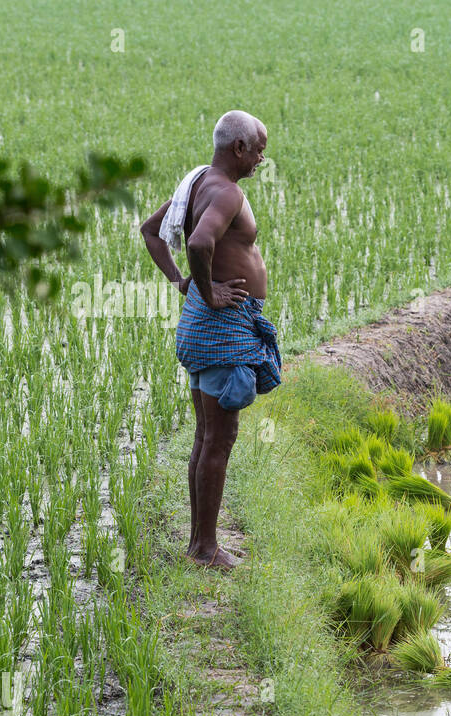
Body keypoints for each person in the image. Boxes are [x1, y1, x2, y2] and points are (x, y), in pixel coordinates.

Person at [140, 110, 278, 569]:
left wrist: (183, 283)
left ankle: (200, 541)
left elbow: (150, 230)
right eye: (258, 148)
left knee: (207, 434)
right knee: (220, 436)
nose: (262, 157)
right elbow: (199, 243)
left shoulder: (199, 182)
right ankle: (204, 548)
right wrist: (205, 289)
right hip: (221, 327)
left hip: (206, 325)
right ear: (238, 148)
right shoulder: (225, 191)